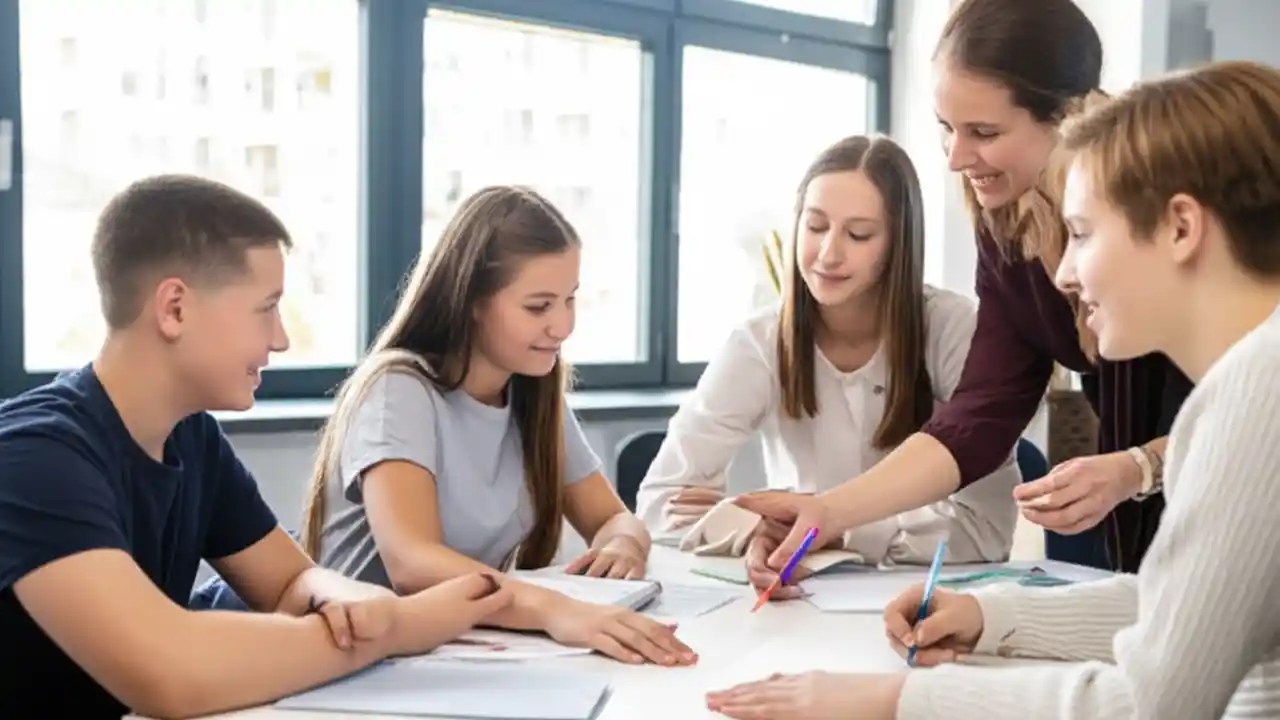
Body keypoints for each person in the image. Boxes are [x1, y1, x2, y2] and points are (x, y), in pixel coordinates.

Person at [707, 58, 1280, 720]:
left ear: (1181, 228)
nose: (1063, 272)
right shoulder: (1252, 378)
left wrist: (891, 700)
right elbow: (1176, 608)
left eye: (1084, 235)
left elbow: (1146, 705)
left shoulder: (1255, 392)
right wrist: (993, 615)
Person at [0, 175, 514, 719]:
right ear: (174, 308)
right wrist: (394, 629)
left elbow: (289, 580)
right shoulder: (33, 457)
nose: (280, 339)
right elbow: (169, 674)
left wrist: (342, 595)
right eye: (265, 308)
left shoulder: (190, 434)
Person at [733, 0, 1192, 580]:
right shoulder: (1006, 228)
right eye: (946, 128)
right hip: (1150, 506)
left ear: (1069, 118)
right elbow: (981, 412)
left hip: (1216, 487)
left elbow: (1247, 411)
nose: (954, 158)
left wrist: (1139, 467)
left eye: (984, 132)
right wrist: (827, 511)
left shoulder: (1156, 213)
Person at [300, 185, 697, 667]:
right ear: (471, 300)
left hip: (451, 656)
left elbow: (612, 517)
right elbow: (412, 564)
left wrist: (624, 544)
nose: (563, 326)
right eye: (538, 306)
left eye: (570, 300)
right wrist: (556, 609)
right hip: (355, 662)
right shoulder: (399, 389)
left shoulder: (536, 393)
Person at [635, 135, 1018, 580]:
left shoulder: (954, 330)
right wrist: (753, 527)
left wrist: (831, 528)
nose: (829, 253)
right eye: (816, 227)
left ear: (899, 245)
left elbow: (986, 532)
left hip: (925, 598)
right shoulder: (759, 341)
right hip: (797, 594)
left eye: (859, 235)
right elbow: (660, 503)